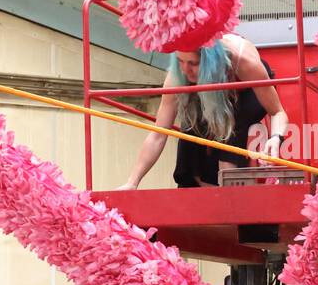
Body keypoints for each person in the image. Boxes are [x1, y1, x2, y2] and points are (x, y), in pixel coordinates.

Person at [118, 33, 289, 189]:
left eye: (193, 63)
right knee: (189, 130)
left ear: (209, 60)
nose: (185, 69)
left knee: (230, 127)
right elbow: (158, 134)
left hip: (246, 92)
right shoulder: (179, 75)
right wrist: (132, 182)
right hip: (209, 88)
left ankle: (229, 193)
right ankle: (191, 189)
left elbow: (277, 112)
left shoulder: (243, 61)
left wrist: (276, 137)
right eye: (180, 61)